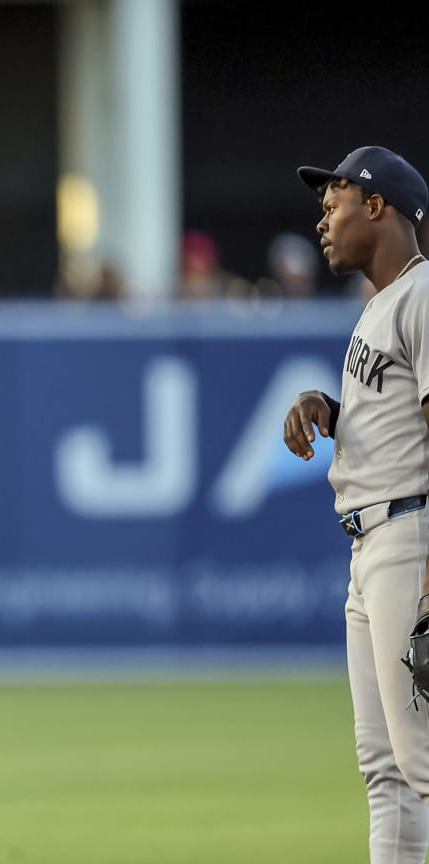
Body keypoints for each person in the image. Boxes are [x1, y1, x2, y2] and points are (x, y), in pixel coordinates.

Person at [282, 145, 429, 864]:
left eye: (334, 203)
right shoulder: (383, 304)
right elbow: (398, 421)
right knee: (388, 774)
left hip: (412, 540)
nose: (324, 219)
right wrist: (330, 411)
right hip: (371, 548)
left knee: (424, 761)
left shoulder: (424, 293)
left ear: (378, 207)